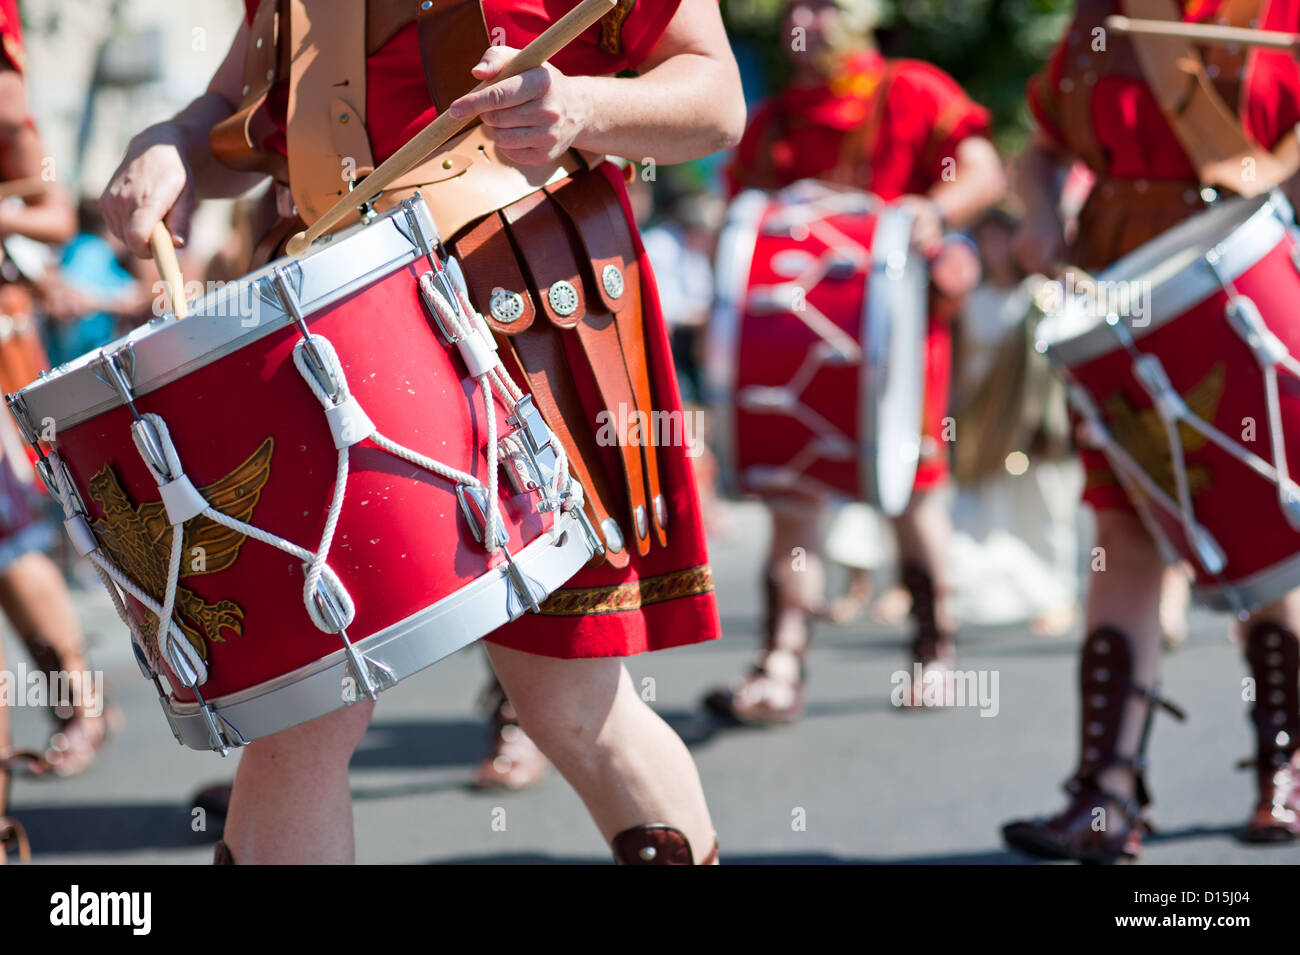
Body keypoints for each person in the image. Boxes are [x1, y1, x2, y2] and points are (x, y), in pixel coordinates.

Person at [100, 0, 745, 865]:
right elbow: (237, 121)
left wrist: (586, 108)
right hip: (319, 339)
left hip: (518, 310)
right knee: (298, 704)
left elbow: (716, 97)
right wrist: (173, 141)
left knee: (566, 699)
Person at [1002, 0, 1300, 861]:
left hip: (1241, 295)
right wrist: (1038, 209)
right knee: (1121, 537)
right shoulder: (1101, 17)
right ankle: (1106, 792)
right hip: (1112, 306)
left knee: (1259, 525)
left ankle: (1285, 761)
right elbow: (1047, 140)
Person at [703, 0, 1005, 723]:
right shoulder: (773, 119)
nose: (805, 19)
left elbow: (984, 172)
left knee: (913, 490)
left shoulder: (911, 90)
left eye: (827, 4)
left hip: (894, 335)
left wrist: (935, 214)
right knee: (791, 501)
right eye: (796, 6)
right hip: (794, 348)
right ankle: (782, 659)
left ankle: (935, 646)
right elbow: (743, 226)